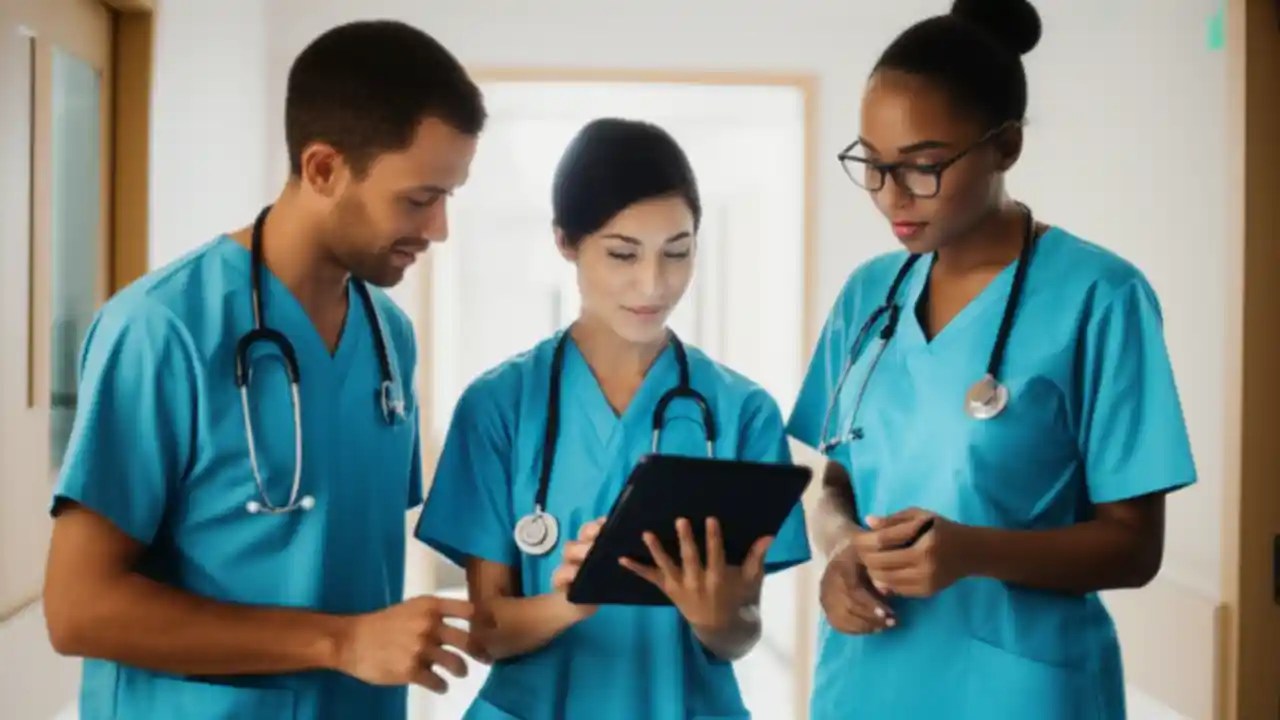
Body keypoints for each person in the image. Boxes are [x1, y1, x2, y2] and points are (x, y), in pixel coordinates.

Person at [41, 20, 492, 720]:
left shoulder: (388, 335)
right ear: (322, 169)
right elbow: (78, 610)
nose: (437, 231)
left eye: (447, 198)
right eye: (418, 199)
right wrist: (341, 643)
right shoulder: (162, 330)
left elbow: (335, 557)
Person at [787, 1, 1197, 718]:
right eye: (873, 165)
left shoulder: (1100, 297)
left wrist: (972, 552)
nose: (892, 196)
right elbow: (833, 486)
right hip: (865, 679)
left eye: (923, 167)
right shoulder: (868, 295)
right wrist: (841, 553)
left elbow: (1134, 548)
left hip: (1020, 689)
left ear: (1005, 146)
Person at [415, 117, 812, 720]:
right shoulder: (499, 405)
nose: (653, 283)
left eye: (677, 253)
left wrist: (715, 616)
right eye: (623, 254)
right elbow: (487, 629)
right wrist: (574, 598)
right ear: (565, 243)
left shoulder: (741, 413)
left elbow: (740, 633)